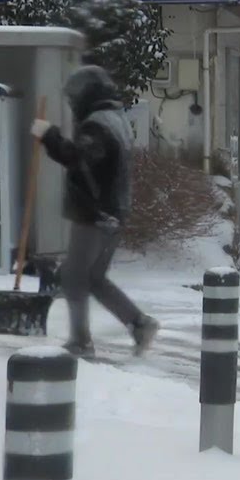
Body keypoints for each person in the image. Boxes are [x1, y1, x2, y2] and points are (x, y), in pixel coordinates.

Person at [31, 65, 159, 359]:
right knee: (94, 278)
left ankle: (80, 342)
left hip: (94, 213)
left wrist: (49, 135)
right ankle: (139, 324)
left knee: (74, 276)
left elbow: (77, 158)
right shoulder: (116, 119)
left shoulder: (97, 125)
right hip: (114, 211)